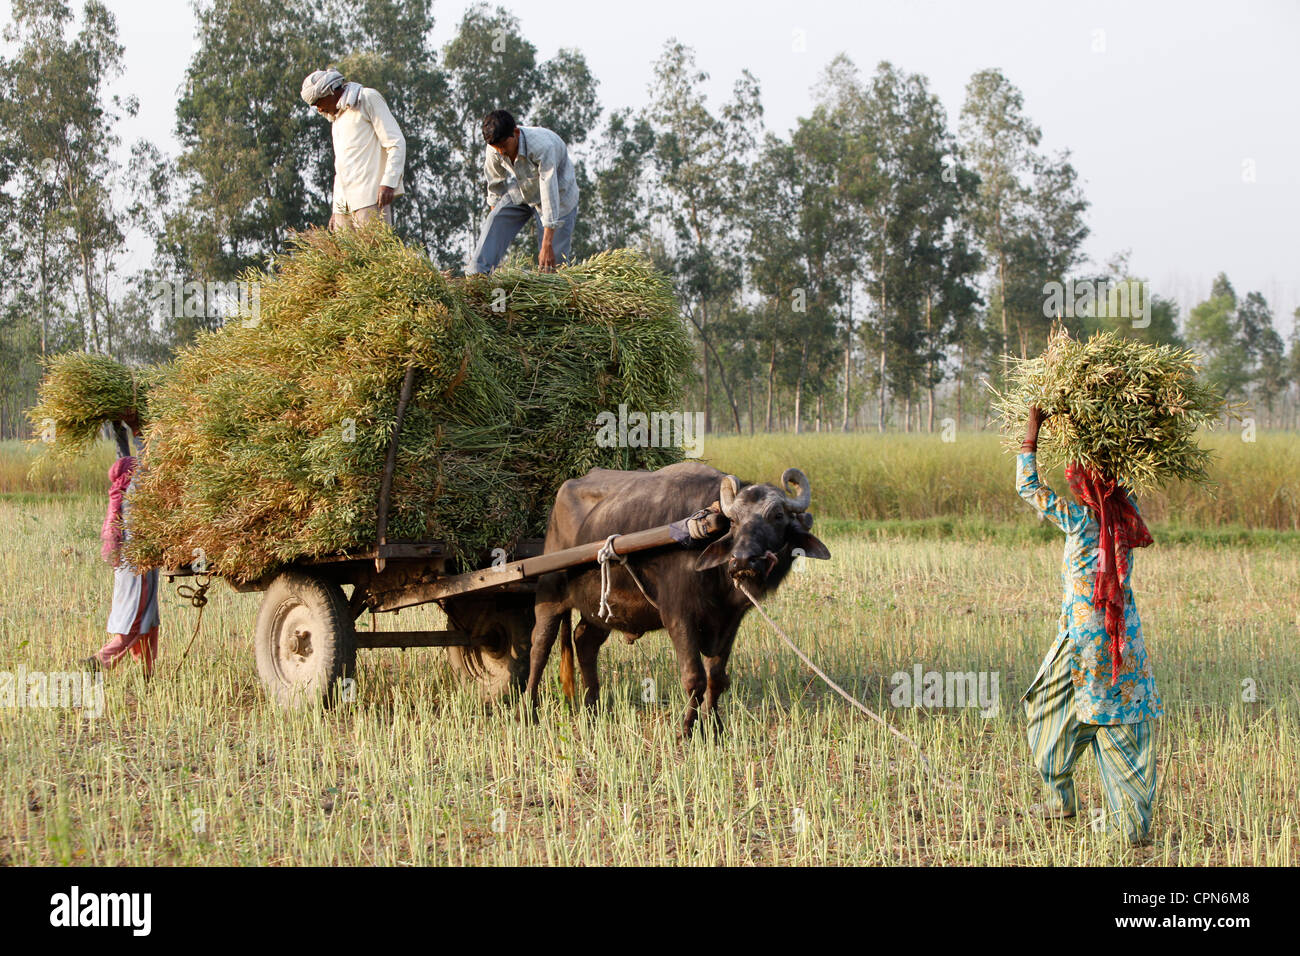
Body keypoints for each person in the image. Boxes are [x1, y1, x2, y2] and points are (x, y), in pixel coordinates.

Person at [1016, 405, 1161, 846]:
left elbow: (1027, 485)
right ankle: (1132, 828)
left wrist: (1034, 428)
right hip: (1125, 645)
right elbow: (1122, 479)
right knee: (1124, 727)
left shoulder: (1080, 522)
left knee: (1045, 709)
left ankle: (1059, 796)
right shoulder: (1124, 517)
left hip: (1083, 643)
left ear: (1083, 488)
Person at [87, 413, 160, 677]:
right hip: (137, 567)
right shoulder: (134, 493)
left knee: (149, 621)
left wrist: (118, 426)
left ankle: (147, 674)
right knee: (136, 621)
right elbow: (147, 461)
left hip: (131, 566)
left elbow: (124, 457)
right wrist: (139, 430)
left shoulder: (120, 489)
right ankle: (99, 662)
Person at [468, 109, 579, 274]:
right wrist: (497, 224)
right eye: (497, 148)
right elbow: (494, 185)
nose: (501, 152)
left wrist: (547, 244)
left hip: (559, 194)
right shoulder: (494, 147)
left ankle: (551, 286)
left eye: (504, 146)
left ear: (516, 133)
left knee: (551, 266)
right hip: (524, 188)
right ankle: (477, 275)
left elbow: (549, 193)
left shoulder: (543, 147)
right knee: (496, 217)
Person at [300, 68, 406, 229]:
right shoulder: (336, 119)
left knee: (375, 253)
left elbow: (396, 142)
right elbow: (341, 167)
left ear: (329, 91)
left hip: (371, 199)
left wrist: (389, 183)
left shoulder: (367, 98)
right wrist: (337, 208)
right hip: (344, 207)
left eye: (318, 103)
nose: (319, 109)